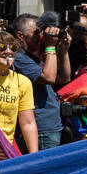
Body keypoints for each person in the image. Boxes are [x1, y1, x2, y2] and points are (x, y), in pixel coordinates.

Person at [12, 12, 64, 151]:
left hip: (50, 126)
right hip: (40, 127)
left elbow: (63, 78)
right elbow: (48, 78)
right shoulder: (18, 58)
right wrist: (50, 47)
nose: (40, 36)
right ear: (20, 35)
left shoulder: (33, 58)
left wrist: (63, 51)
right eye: (36, 32)